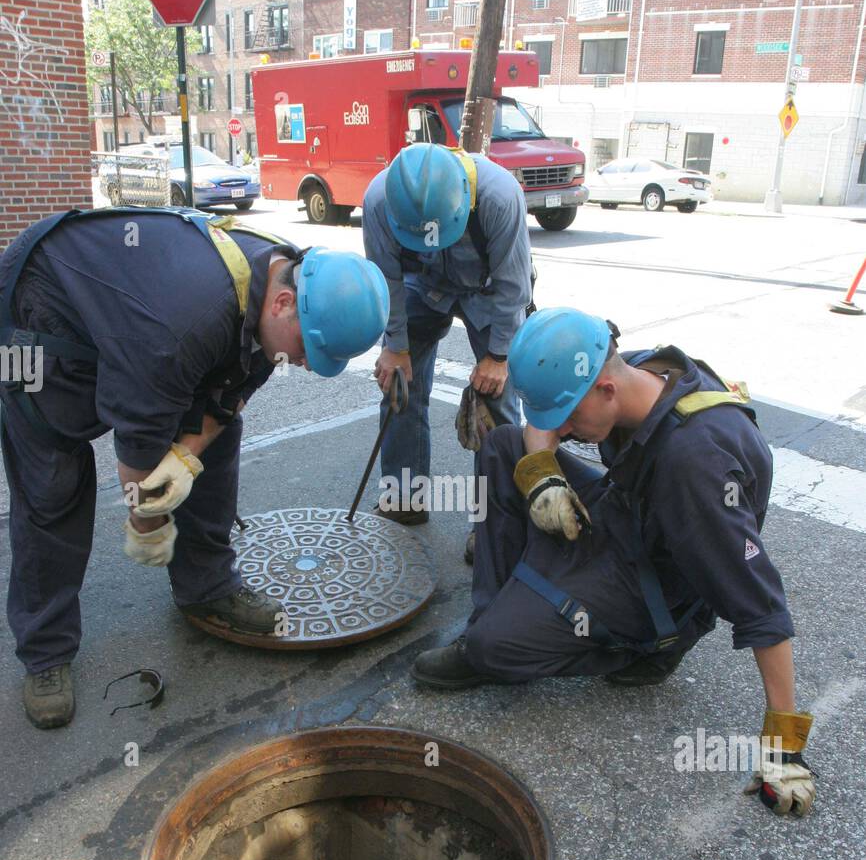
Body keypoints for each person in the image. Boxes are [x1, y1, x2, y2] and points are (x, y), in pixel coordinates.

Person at [412, 307, 816, 818]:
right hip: (625, 509)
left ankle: (649, 644)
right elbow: (542, 428)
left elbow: (763, 608)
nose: (564, 432)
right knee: (503, 447)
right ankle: (493, 616)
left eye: (568, 419)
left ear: (605, 389)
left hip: (651, 580)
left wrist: (784, 745)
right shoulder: (644, 370)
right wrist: (543, 476)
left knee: (498, 649)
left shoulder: (694, 469)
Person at [0, 208, 388, 729]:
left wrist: (187, 455)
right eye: (305, 350)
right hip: (41, 316)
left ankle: (207, 586)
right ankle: (45, 653)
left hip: (136, 326)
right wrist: (148, 524)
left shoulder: (283, 277)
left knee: (214, 445)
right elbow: (137, 452)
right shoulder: (176, 327)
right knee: (53, 486)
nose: (300, 363)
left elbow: (232, 394)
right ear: (282, 303)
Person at [362, 142, 532, 536]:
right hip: (424, 285)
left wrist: (499, 356)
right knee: (398, 387)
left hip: (487, 290)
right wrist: (396, 347)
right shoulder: (378, 202)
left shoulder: (498, 196)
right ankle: (405, 498)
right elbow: (386, 282)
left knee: (499, 402)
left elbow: (513, 287)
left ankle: (495, 527)